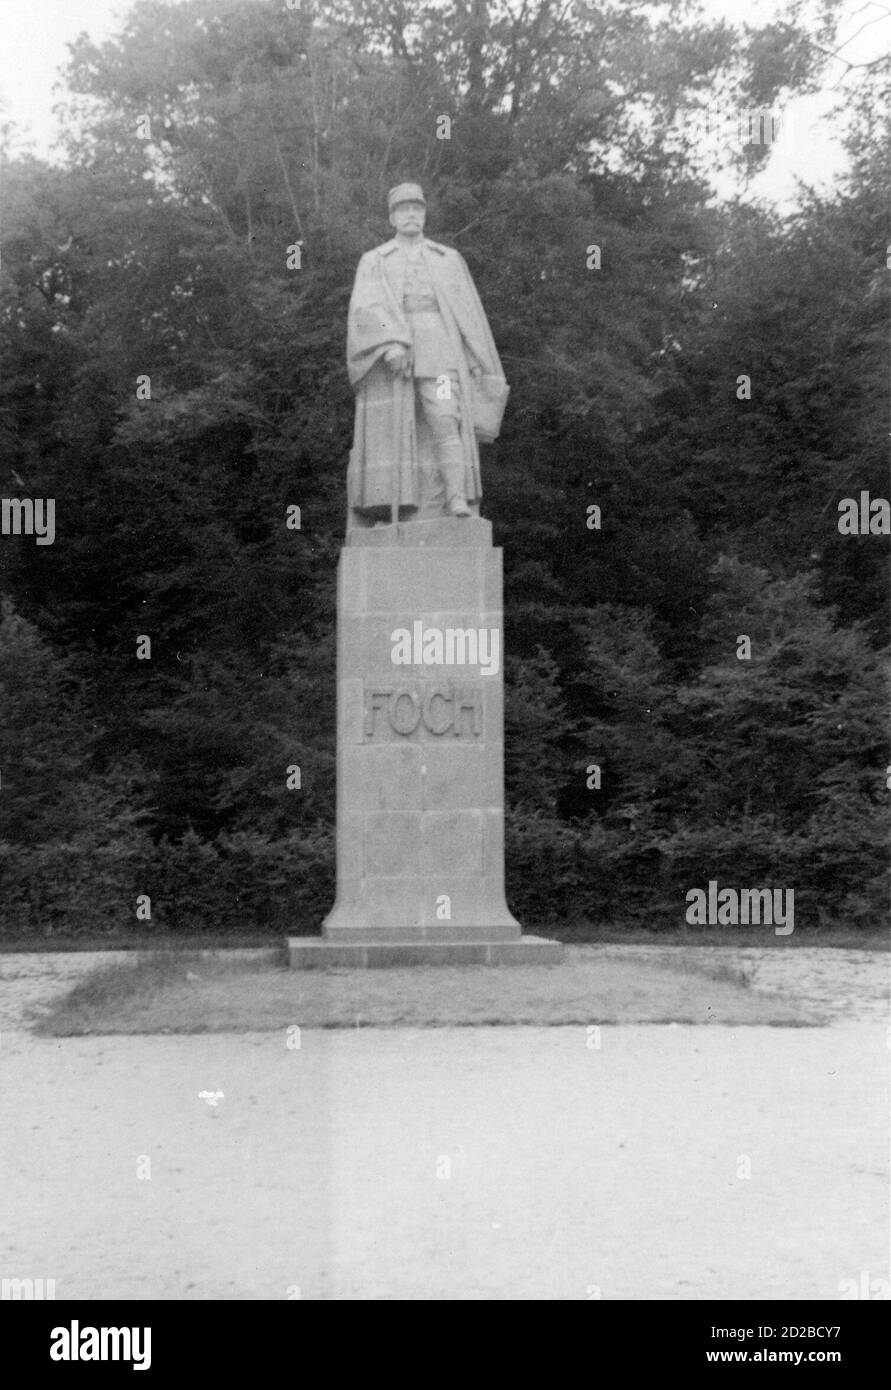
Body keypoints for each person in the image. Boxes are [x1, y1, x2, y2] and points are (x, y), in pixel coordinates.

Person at [346, 183, 508, 528]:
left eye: (416, 208)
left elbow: (469, 316)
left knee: (446, 419)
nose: (411, 214)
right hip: (395, 358)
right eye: (403, 209)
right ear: (392, 217)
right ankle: (396, 507)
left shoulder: (447, 258)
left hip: (441, 354)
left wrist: (476, 360)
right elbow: (365, 310)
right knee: (395, 431)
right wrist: (389, 344)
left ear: (424, 214)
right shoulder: (375, 260)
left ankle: (456, 498)